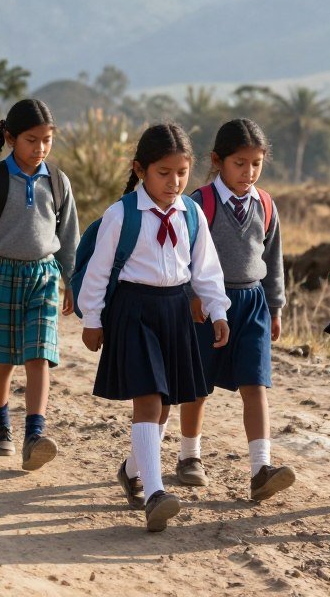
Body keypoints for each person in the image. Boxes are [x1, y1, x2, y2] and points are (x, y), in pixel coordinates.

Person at [79, 123, 231, 532]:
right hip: (134, 311)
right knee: (147, 401)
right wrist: (92, 319)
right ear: (140, 169)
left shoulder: (192, 214)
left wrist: (218, 311)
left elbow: (206, 271)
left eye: (182, 172)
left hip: (176, 311)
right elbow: (97, 271)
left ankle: (131, 471)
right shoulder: (121, 214)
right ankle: (155, 493)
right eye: (164, 172)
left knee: (165, 404)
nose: (174, 181)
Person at [0, 99, 79, 470]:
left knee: (40, 354)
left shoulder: (58, 182)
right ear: (10, 138)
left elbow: (69, 237)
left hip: (44, 276)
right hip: (1, 275)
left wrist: (72, 281)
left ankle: (35, 434)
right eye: (31, 140)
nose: (40, 148)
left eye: (47, 140)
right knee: (4, 359)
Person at [178, 118, 295, 501]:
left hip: (253, 302)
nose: (248, 172)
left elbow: (272, 258)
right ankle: (189, 456)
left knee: (255, 382)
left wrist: (275, 306)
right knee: (198, 384)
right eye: (239, 163)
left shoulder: (265, 204)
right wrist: (194, 296)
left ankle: (261, 468)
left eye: (256, 163)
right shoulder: (199, 204)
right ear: (218, 161)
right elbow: (183, 255)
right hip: (208, 303)